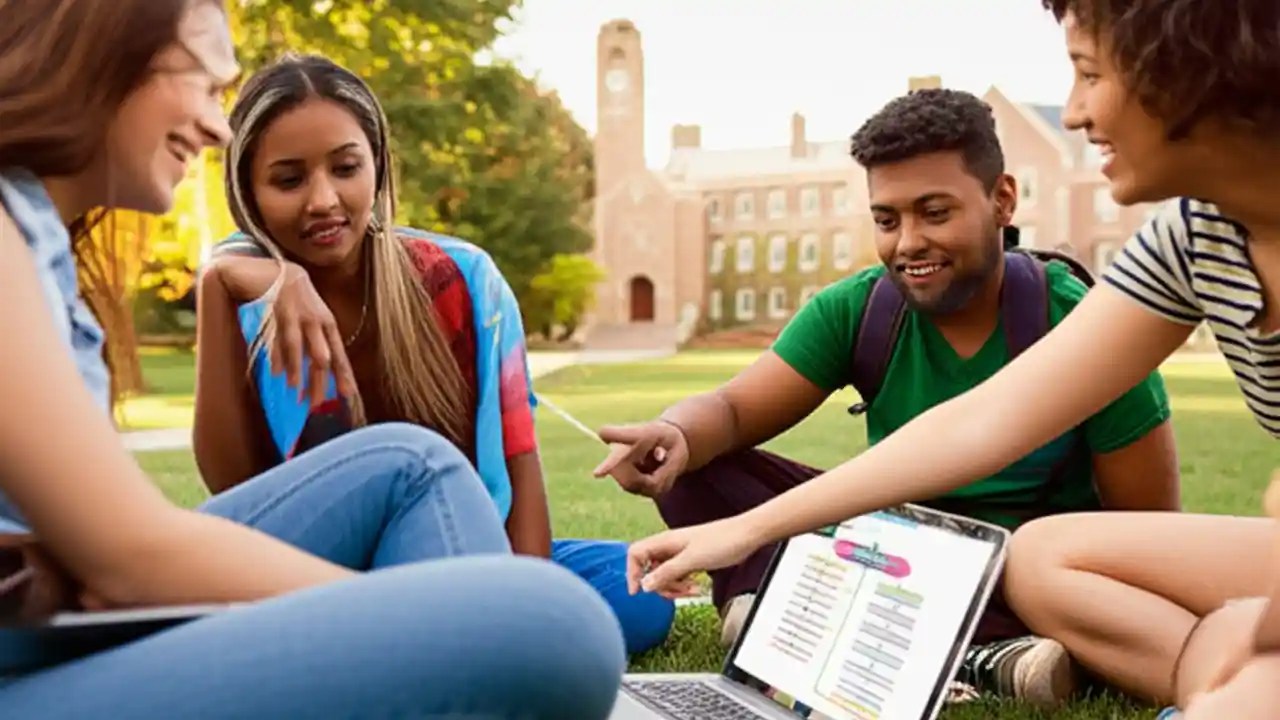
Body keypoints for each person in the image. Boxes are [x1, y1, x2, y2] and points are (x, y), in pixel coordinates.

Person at [621, 0, 1280, 717]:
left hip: (994, 556)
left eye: (1090, 73)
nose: (1077, 113)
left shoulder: (1058, 297)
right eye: (887, 218)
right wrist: (745, 527)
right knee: (1051, 563)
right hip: (918, 544)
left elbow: (1153, 519)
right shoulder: (1189, 240)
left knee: (1086, 579)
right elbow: (981, 421)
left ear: (1192, 67)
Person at [0, 2, 625, 718]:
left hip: (53, 632)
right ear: (102, 64)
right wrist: (429, 619)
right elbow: (127, 560)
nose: (215, 126)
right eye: (204, 85)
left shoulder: (36, 239)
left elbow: (101, 563)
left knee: (414, 467)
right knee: (548, 626)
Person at [192, 53, 675, 655]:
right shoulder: (245, 297)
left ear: (378, 165)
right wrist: (217, 288)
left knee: (638, 593)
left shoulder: (461, 279)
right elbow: (238, 495)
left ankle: (433, 636)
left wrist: (526, 603)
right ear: (249, 191)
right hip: (314, 575)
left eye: (346, 168)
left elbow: (519, 462)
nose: (323, 200)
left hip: (456, 554)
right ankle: (432, 639)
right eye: (289, 180)